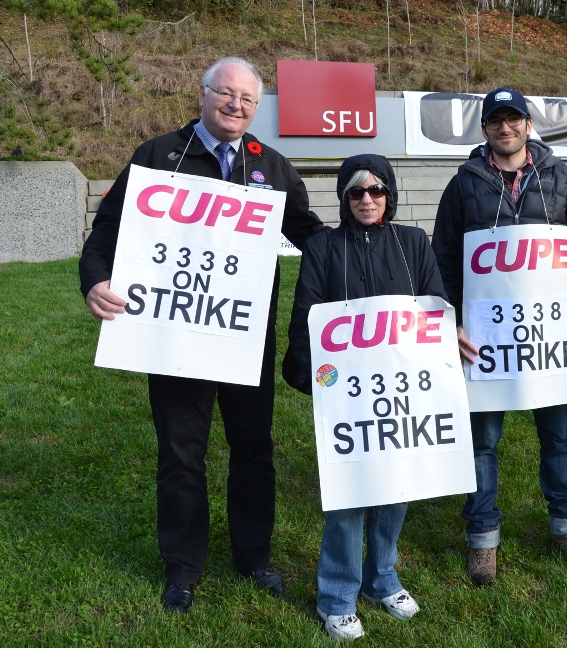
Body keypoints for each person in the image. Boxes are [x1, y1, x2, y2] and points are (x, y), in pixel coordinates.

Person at [78, 56, 328, 613]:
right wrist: (94, 279)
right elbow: (108, 230)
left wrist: (367, 259)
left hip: (243, 336)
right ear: (203, 93)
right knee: (181, 454)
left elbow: (310, 235)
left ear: (256, 107)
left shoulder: (271, 165)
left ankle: (253, 556)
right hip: (173, 337)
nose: (235, 105)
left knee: (254, 448)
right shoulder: (159, 155)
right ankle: (183, 566)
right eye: (225, 93)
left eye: (246, 98)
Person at [432, 87, 567, 585]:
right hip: (486, 341)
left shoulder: (559, 178)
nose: (504, 128)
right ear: (484, 128)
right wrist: (451, 322)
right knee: (483, 442)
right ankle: (482, 539)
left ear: (528, 124)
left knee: (558, 437)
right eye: (495, 121)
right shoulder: (463, 184)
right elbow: (442, 258)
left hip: (549, 340)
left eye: (513, 120)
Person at [282, 154, 446, 641]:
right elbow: (306, 314)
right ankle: (337, 594)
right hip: (346, 396)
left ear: (390, 195)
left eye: (376, 191)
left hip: (402, 394)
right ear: (343, 198)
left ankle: (382, 578)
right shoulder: (323, 248)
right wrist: (311, 376)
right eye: (356, 192)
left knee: (396, 487)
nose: (367, 199)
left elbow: (433, 303)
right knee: (348, 497)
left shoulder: (413, 242)